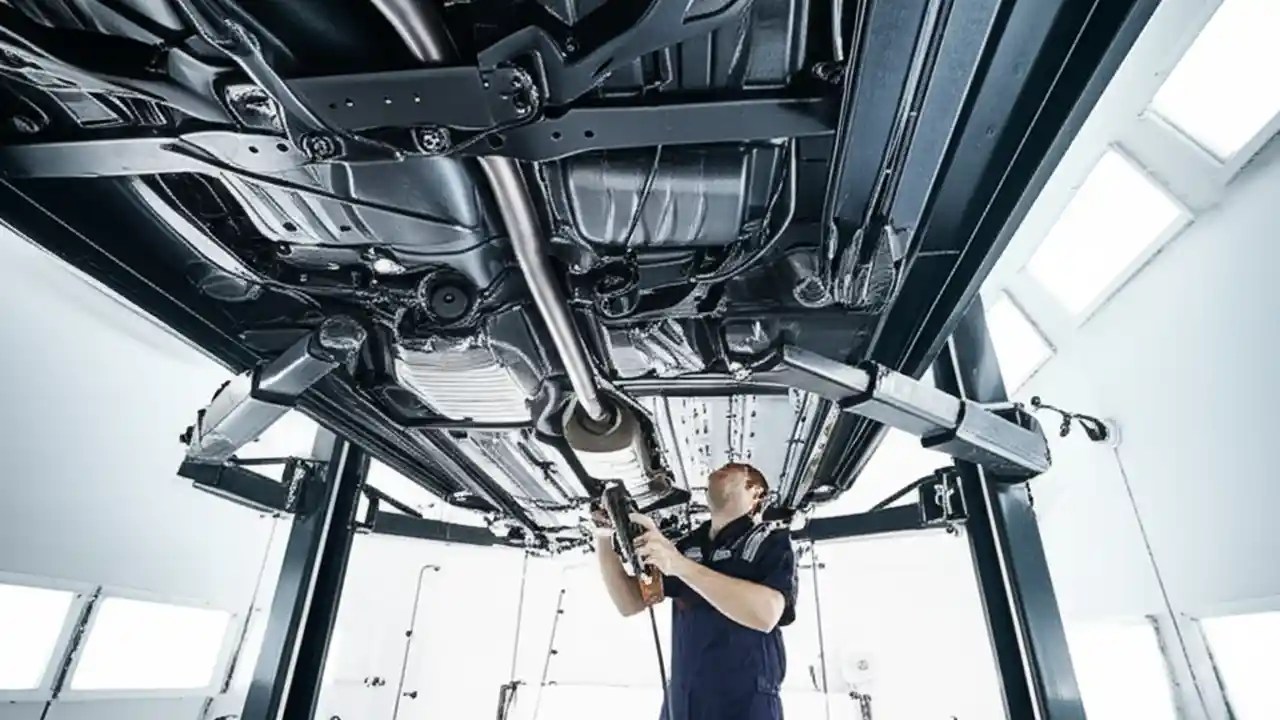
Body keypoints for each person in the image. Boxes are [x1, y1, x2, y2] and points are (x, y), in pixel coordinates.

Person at [594, 462, 799, 720]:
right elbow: (630, 602)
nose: (722, 468)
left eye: (736, 468)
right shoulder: (688, 545)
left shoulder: (771, 541)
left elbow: (766, 614)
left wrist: (680, 565)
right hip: (683, 703)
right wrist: (603, 535)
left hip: (744, 704)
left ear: (756, 494)